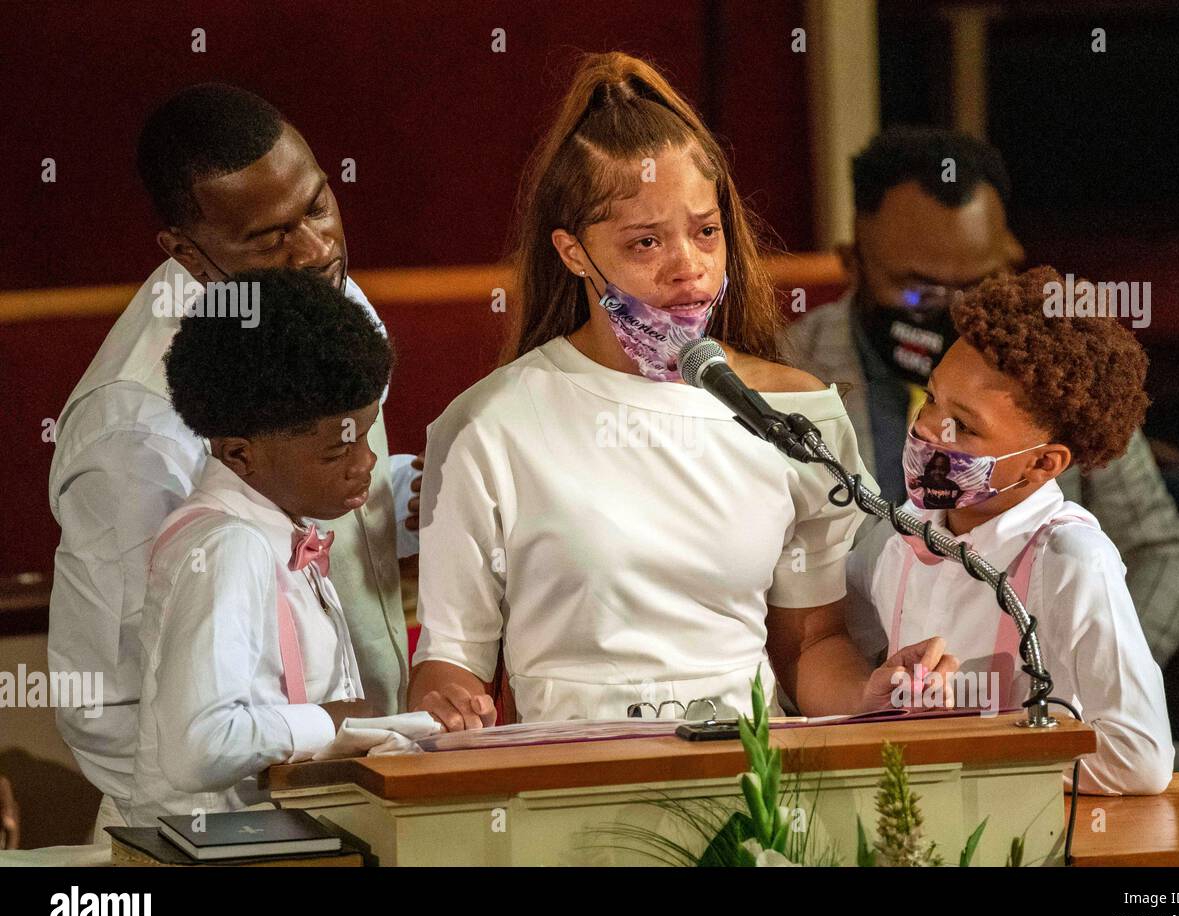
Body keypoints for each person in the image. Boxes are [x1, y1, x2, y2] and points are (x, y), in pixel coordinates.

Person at [409, 52, 959, 728]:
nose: (689, 269)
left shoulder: (793, 414)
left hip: (756, 783)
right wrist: (449, 707)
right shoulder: (488, 426)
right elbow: (448, 663)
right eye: (645, 243)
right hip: (571, 787)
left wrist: (872, 691)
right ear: (572, 251)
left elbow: (810, 645)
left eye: (705, 232)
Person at [46, 84, 418, 838]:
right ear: (189, 252)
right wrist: (236, 834)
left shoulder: (310, 296)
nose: (315, 250)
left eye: (317, 206)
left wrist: (431, 494)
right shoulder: (136, 430)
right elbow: (107, 706)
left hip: (351, 798)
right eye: (269, 236)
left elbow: (330, 502)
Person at [784, 129, 1179, 687]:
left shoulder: (1055, 367)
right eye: (919, 290)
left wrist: (1095, 673)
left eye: (977, 283)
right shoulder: (789, 374)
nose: (954, 313)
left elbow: (1163, 554)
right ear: (853, 262)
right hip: (862, 706)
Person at [848, 267, 1175, 795]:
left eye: (965, 426)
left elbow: (1139, 756)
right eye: (931, 399)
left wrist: (975, 741)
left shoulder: (1071, 558)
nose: (929, 428)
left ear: (1043, 464)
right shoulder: (895, 541)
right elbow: (849, 673)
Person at [127, 269, 394, 826]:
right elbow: (198, 746)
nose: (365, 460)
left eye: (366, 434)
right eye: (334, 452)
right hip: (213, 850)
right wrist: (328, 722)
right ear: (240, 455)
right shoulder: (230, 548)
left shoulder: (273, 529)